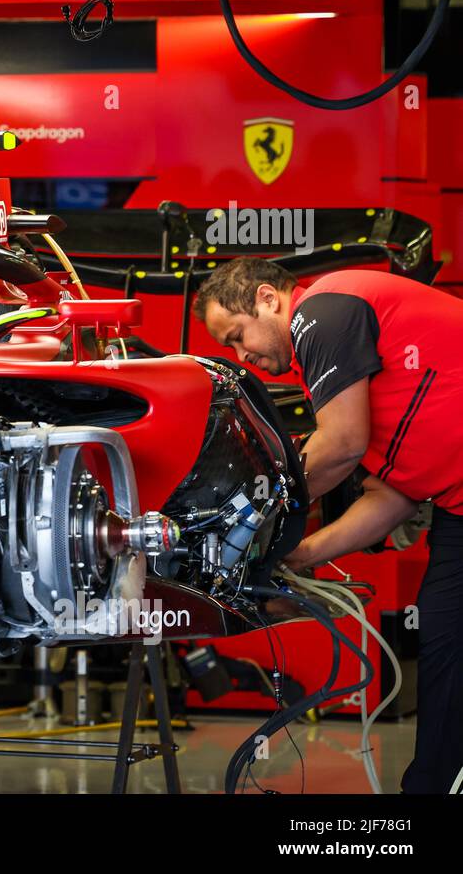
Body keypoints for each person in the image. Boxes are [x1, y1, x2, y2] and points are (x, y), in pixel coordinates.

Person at [195, 257, 463, 793]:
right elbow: (394, 494)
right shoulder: (332, 360)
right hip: (457, 505)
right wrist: (303, 554)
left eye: (236, 335)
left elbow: (341, 445)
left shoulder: (324, 309)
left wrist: (250, 518)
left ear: (269, 299)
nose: (240, 354)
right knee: (443, 640)